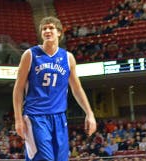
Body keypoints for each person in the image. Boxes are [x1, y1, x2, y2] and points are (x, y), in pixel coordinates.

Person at [13, 16, 96, 161]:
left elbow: (77, 89)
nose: (47, 31)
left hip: (59, 117)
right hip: (35, 116)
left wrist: (89, 113)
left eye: (51, 28)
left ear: (59, 32)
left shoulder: (68, 58)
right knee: (44, 158)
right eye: (44, 28)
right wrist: (18, 119)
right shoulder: (30, 55)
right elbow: (18, 89)